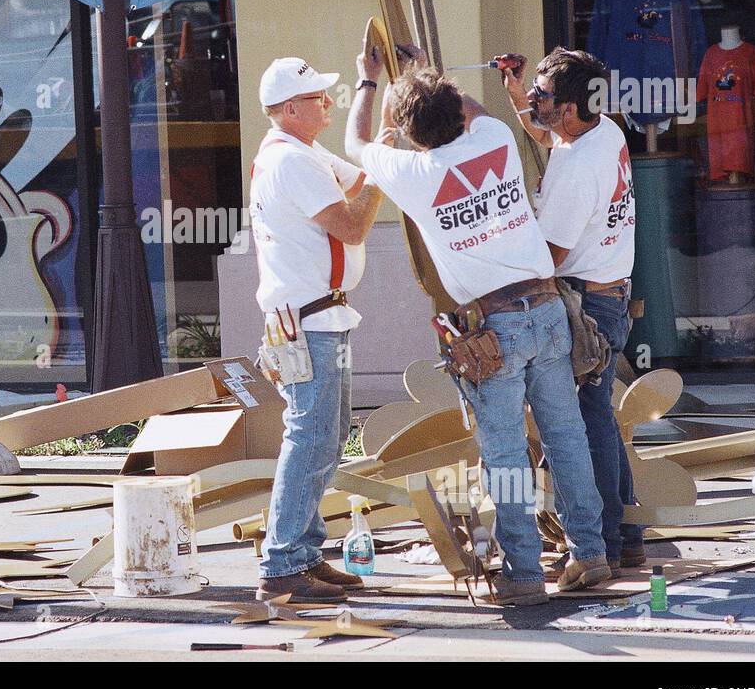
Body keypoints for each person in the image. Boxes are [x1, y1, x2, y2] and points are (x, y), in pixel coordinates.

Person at [344, 46, 610, 606]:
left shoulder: (414, 172)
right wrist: (433, 77)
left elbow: (355, 145)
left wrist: (369, 82)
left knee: (507, 455)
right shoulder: (496, 141)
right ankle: (590, 550)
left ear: (412, 134)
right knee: (567, 437)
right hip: (547, 312)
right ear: (457, 113)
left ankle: (523, 574)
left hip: (496, 329)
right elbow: (476, 111)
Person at [250, 47, 388, 604]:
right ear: (286, 109)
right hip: (310, 320)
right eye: (315, 98)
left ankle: (301, 553)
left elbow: (360, 175)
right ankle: (284, 561)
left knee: (323, 438)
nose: (325, 103)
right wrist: (383, 164)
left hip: (315, 316)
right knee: (311, 438)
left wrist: (369, 90)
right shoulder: (291, 160)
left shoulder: (299, 152)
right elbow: (353, 224)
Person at [501, 47, 646, 573]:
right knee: (599, 415)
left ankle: (603, 537)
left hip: (584, 302)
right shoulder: (600, 130)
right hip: (608, 292)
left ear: (566, 108)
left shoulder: (576, 171)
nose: (533, 100)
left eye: (541, 95)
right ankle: (625, 530)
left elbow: (548, 259)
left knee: (582, 423)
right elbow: (546, 136)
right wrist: (517, 91)